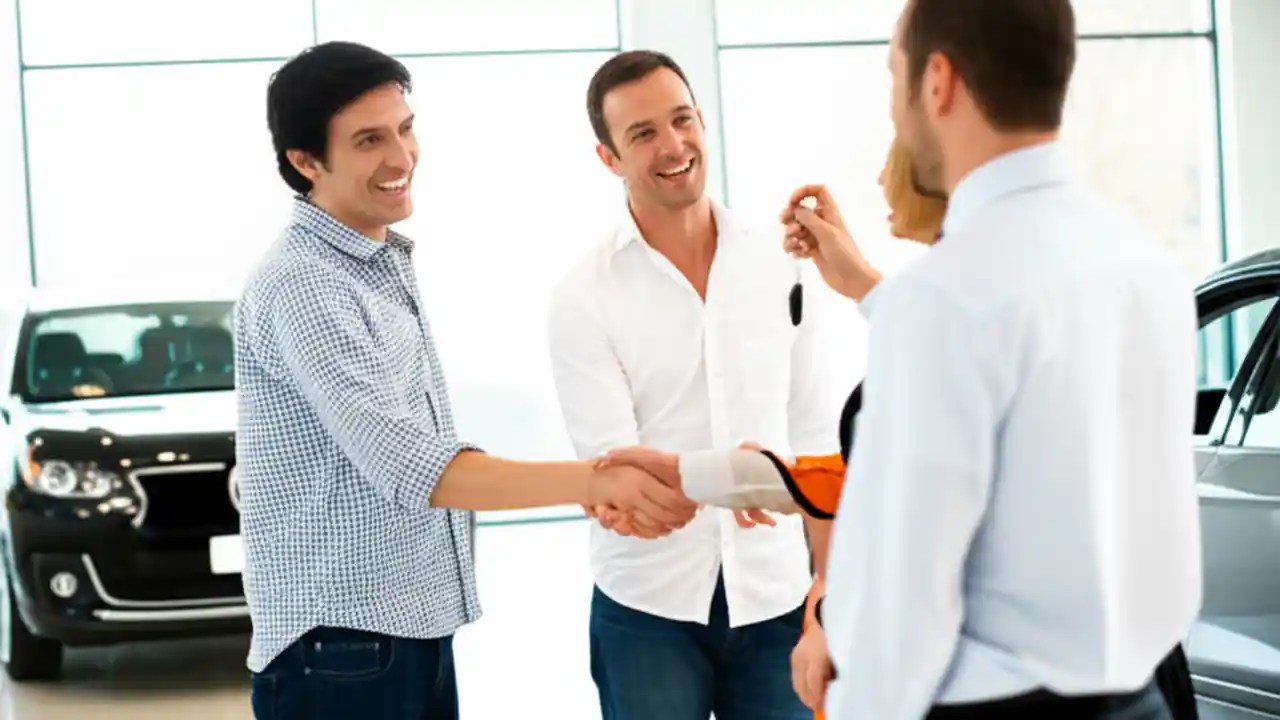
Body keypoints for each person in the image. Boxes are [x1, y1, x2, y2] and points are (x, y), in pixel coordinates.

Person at [234, 41, 697, 720]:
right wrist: (597, 479)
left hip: (395, 637)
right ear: (305, 162)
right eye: (369, 140)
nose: (401, 157)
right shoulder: (306, 285)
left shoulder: (373, 261)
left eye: (405, 127)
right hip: (340, 654)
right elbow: (414, 467)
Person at [790, 1, 1202, 718]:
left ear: (939, 81)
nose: (895, 106)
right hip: (1147, 701)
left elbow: (899, 607)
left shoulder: (942, 297)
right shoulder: (1148, 265)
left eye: (896, 75)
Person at [547, 50, 851, 720]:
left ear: (704, 123)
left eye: (682, 120)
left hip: (777, 598)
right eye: (643, 133)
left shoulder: (784, 263)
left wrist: (827, 592)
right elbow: (623, 485)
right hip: (648, 609)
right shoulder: (583, 296)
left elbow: (817, 438)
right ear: (609, 158)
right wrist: (745, 475)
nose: (673, 145)